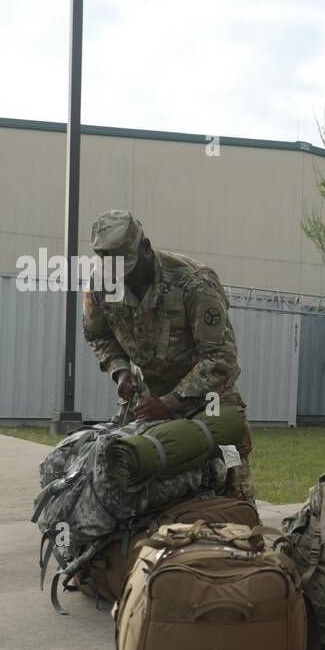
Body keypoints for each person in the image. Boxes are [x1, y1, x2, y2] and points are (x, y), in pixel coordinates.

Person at [82, 210, 255, 502]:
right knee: (153, 488)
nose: (124, 280)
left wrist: (173, 401)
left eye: (129, 269)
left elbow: (220, 357)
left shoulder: (194, 282)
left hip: (212, 402)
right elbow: (98, 335)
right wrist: (120, 369)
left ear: (146, 248)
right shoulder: (101, 284)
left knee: (232, 481)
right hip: (149, 403)